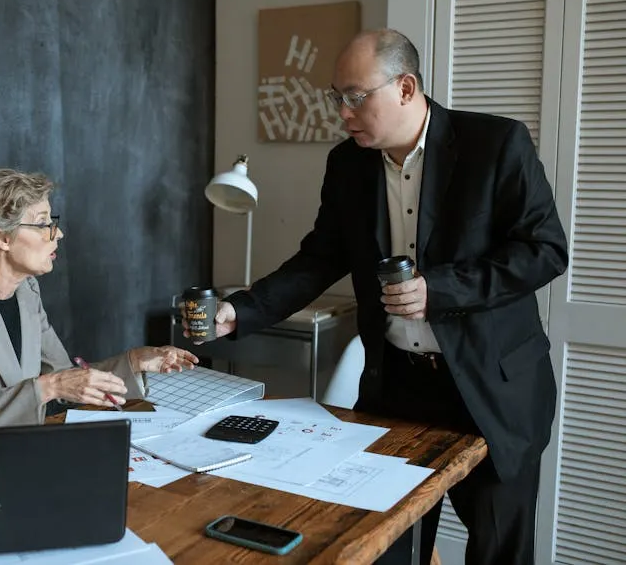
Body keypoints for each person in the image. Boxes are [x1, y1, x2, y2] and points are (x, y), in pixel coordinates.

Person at [195, 29, 568, 564]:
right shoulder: (347, 164)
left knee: (498, 553)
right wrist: (241, 311)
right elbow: (320, 258)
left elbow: (545, 251)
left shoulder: (496, 145)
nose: (342, 112)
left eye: (355, 96)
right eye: (336, 97)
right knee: (385, 546)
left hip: (492, 388)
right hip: (398, 388)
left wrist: (437, 290)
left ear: (406, 88)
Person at [0, 168, 197, 430]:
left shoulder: (27, 292)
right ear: (3, 238)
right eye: (43, 223)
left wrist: (134, 362)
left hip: (27, 451)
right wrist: (46, 388)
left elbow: (66, 378)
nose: (58, 233)